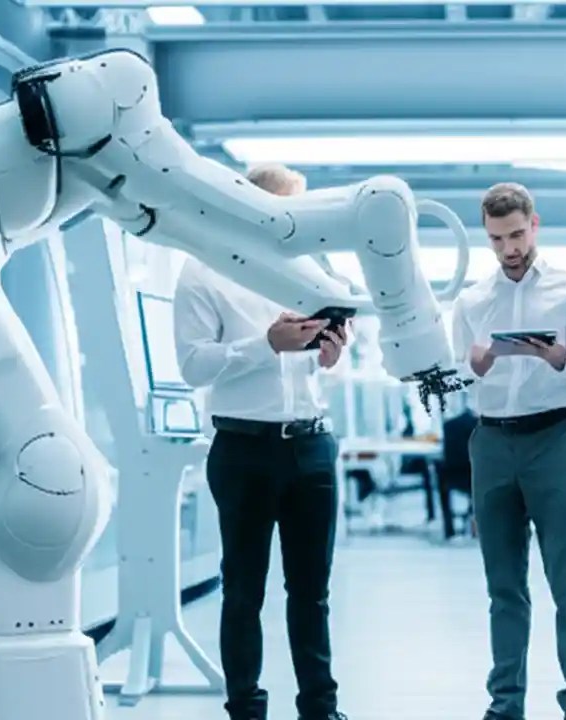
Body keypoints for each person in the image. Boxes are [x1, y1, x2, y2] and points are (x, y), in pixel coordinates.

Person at [173, 163, 350, 720]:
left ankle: (320, 709)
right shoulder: (203, 273)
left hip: (312, 447)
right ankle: (246, 709)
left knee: (312, 592)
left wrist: (331, 355)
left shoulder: (312, 275)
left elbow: (324, 372)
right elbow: (194, 365)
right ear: (251, 208)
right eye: (283, 213)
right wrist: (265, 344)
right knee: (244, 590)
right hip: (244, 451)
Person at [450, 182, 566, 720]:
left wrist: (562, 358)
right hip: (490, 441)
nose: (509, 248)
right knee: (504, 587)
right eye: (497, 239)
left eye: (517, 234)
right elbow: (453, 383)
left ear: (534, 225)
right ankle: (505, 705)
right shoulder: (472, 301)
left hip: (555, 439)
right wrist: (473, 366)